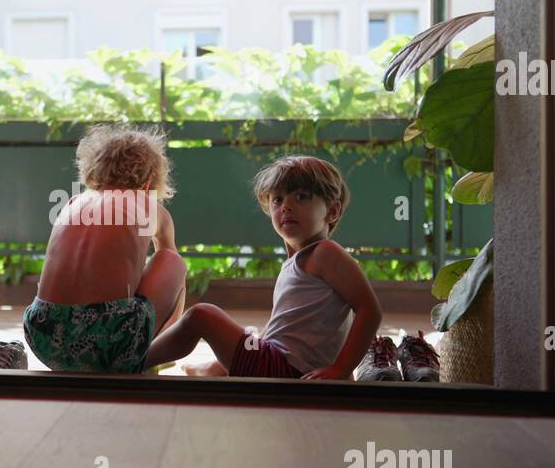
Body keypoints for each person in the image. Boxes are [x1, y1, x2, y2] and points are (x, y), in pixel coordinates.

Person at [144, 155, 381, 379]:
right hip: (280, 362)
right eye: (278, 199)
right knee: (254, 336)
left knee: (201, 314)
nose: (286, 206)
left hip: (283, 369)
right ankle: (212, 369)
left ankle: (136, 359)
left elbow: (369, 310)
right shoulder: (299, 260)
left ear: (332, 211)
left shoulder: (325, 253)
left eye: (301, 197)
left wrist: (341, 368)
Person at [23, 125, 186, 373]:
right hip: (110, 343)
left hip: (42, 335)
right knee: (173, 261)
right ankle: (155, 354)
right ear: (150, 178)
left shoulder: (72, 202)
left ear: (92, 171)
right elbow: (167, 265)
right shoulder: (148, 205)